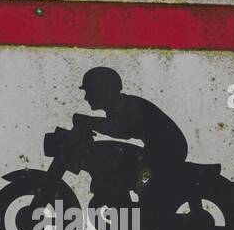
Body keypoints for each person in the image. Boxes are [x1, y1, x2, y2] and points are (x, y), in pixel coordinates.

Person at [72, 66, 188, 205]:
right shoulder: (118, 105)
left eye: (90, 91)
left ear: (103, 90)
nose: (86, 97)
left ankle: (142, 212)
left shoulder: (124, 105)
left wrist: (90, 122)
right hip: (158, 151)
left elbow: (120, 129)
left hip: (166, 153)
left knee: (141, 181)